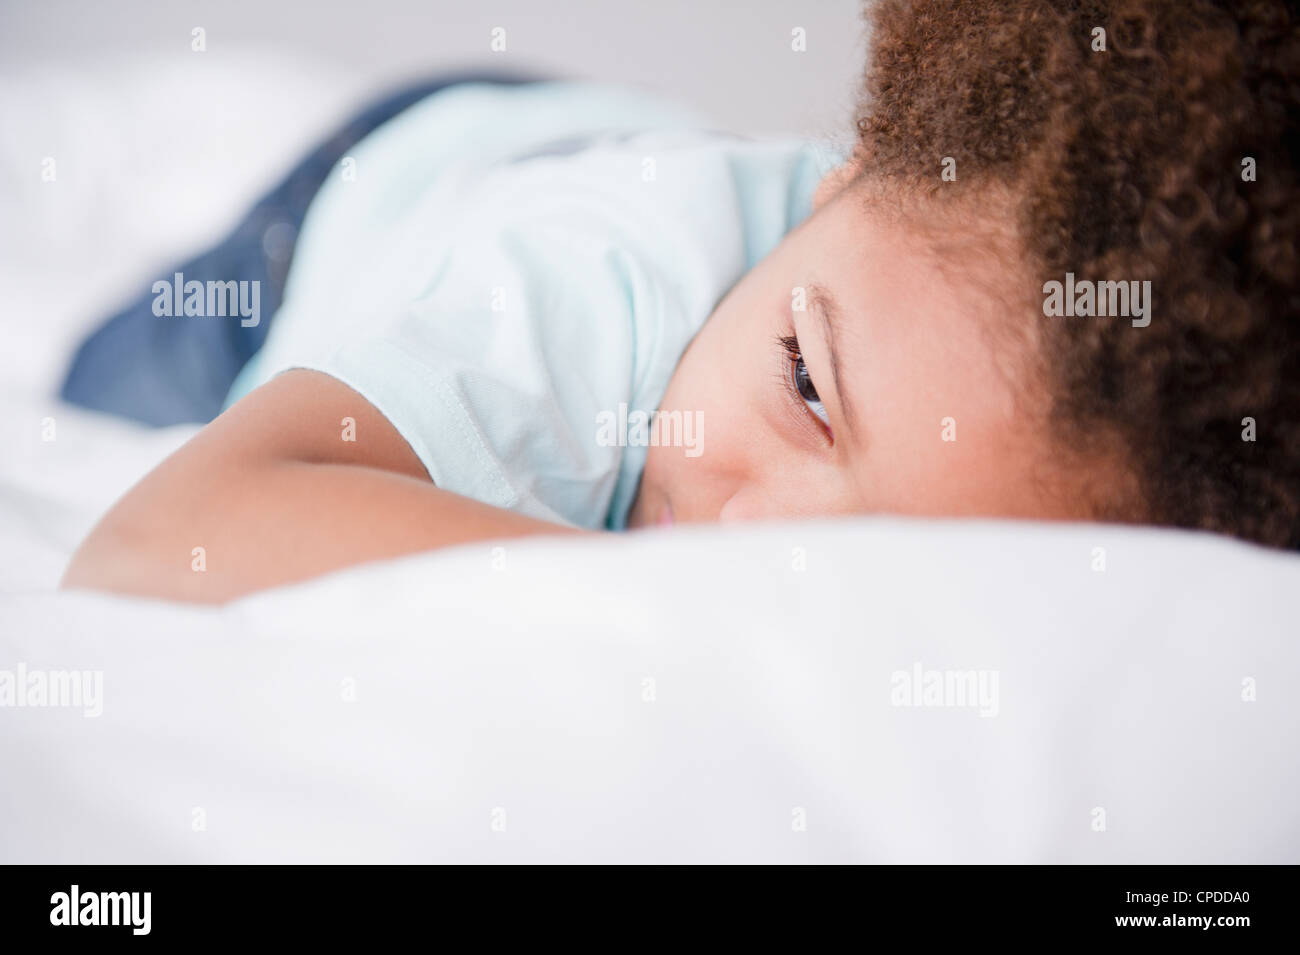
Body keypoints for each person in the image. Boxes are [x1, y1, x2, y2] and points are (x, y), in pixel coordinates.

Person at [63, 0, 1300, 602]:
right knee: (110, 389)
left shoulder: (861, 291)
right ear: (843, 180)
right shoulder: (594, 286)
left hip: (604, 143)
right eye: (807, 390)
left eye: (899, 565)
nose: (758, 547)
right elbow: (156, 541)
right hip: (379, 191)